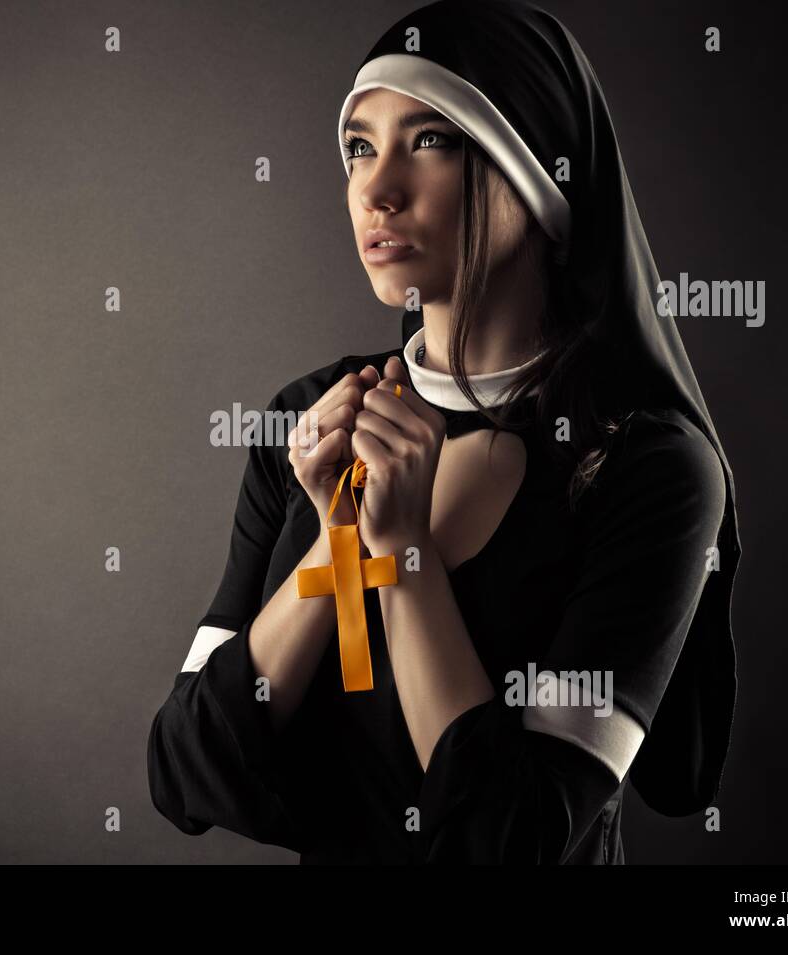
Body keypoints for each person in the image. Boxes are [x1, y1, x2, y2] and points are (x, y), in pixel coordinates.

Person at [147, 0, 742, 864]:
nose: (376, 189)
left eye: (431, 139)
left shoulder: (648, 467)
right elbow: (186, 772)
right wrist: (337, 545)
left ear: (538, 173)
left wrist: (405, 552)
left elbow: (509, 841)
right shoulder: (309, 421)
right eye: (359, 146)